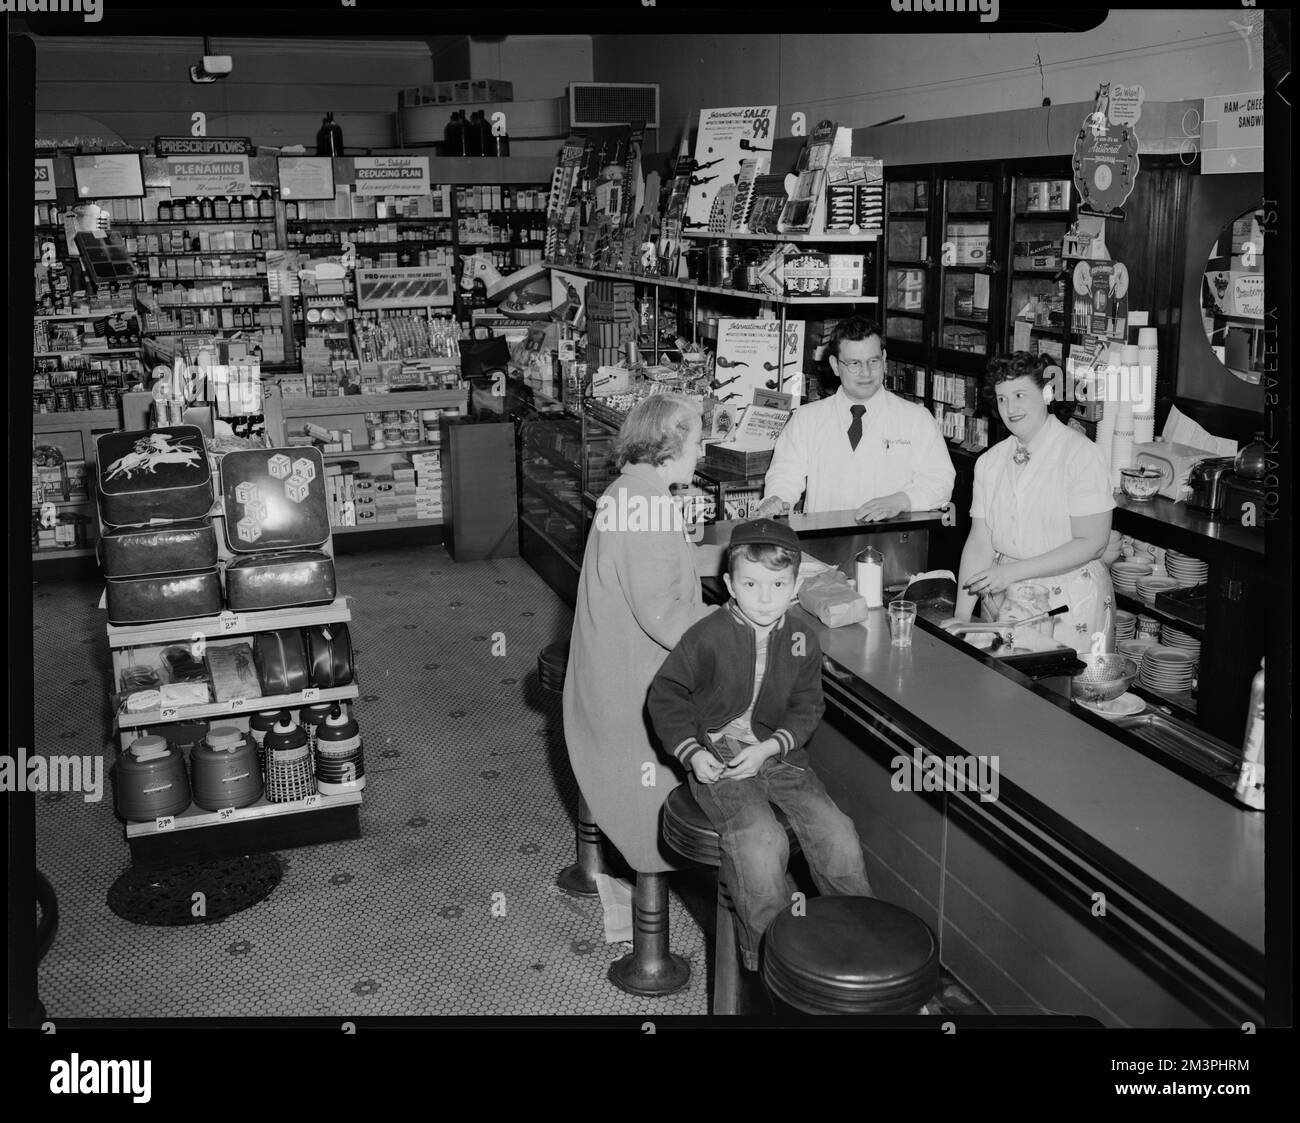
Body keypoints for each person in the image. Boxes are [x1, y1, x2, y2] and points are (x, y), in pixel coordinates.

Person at [647, 517, 873, 971]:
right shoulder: (707, 635)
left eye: (777, 584)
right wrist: (691, 752)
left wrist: (770, 748)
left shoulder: (800, 638)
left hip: (778, 755)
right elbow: (665, 694)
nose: (765, 597)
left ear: (795, 589)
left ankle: (859, 942)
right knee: (759, 840)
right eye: (751, 583)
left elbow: (808, 705)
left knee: (838, 832)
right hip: (718, 758)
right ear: (730, 584)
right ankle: (772, 960)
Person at [563, 393, 713, 882]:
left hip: (611, 663)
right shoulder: (646, 503)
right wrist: (729, 623)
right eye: (696, 442)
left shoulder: (631, 491)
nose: (703, 452)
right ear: (668, 448)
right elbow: (663, 615)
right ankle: (653, 906)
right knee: (647, 795)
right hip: (631, 678)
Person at [948, 351, 1115, 655]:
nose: (1010, 408)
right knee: (1004, 690)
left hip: (1069, 601)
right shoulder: (990, 462)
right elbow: (980, 543)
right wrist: (962, 617)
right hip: (1004, 596)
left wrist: (1012, 573)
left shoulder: (1080, 454)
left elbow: (1092, 543)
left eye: (1020, 395)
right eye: (1001, 399)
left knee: (1061, 693)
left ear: (1048, 393)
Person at [755, 317, 955, 522]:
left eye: (873, 361)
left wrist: (901, 500)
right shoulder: (807, 419)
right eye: (854, 363)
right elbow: (785, 473)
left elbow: (940, 481)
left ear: (884, 359)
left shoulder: (916, 419)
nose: (866, 373)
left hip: (893, 543)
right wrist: (777, 498)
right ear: (834, 364)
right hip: (824, 540)